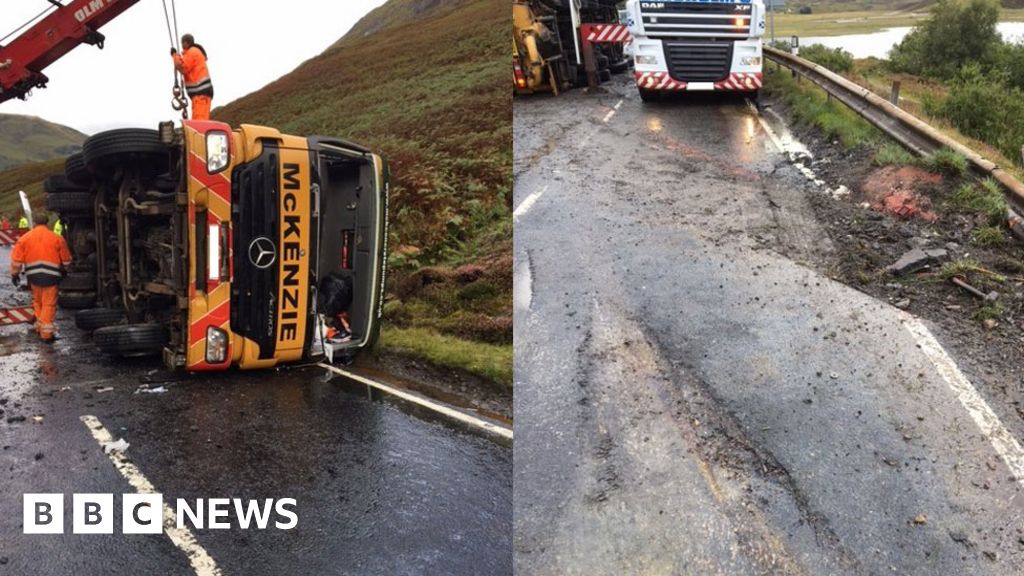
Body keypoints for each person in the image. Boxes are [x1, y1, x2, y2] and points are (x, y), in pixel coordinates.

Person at [10, 212, 72, 342]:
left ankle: (40, 326)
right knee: (48, 304)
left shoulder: (24, 238)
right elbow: (66, 260)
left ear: (34, 223)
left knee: (37, 301)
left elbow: (16, 260)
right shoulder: (56, 238)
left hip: (33, 276)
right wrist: (65, 269)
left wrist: (15, 274)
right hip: (52, 276)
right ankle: (46, 334)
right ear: (47, 223)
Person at [171, 34, 214, 121]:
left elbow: (183, 68)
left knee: (199, 124)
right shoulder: (194, 52)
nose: (182, 46)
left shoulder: (192, 52)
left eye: (182, 43)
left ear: (185, 43)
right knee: (197, 123)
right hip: (200, 95)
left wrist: (174, 55)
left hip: (201, 95)